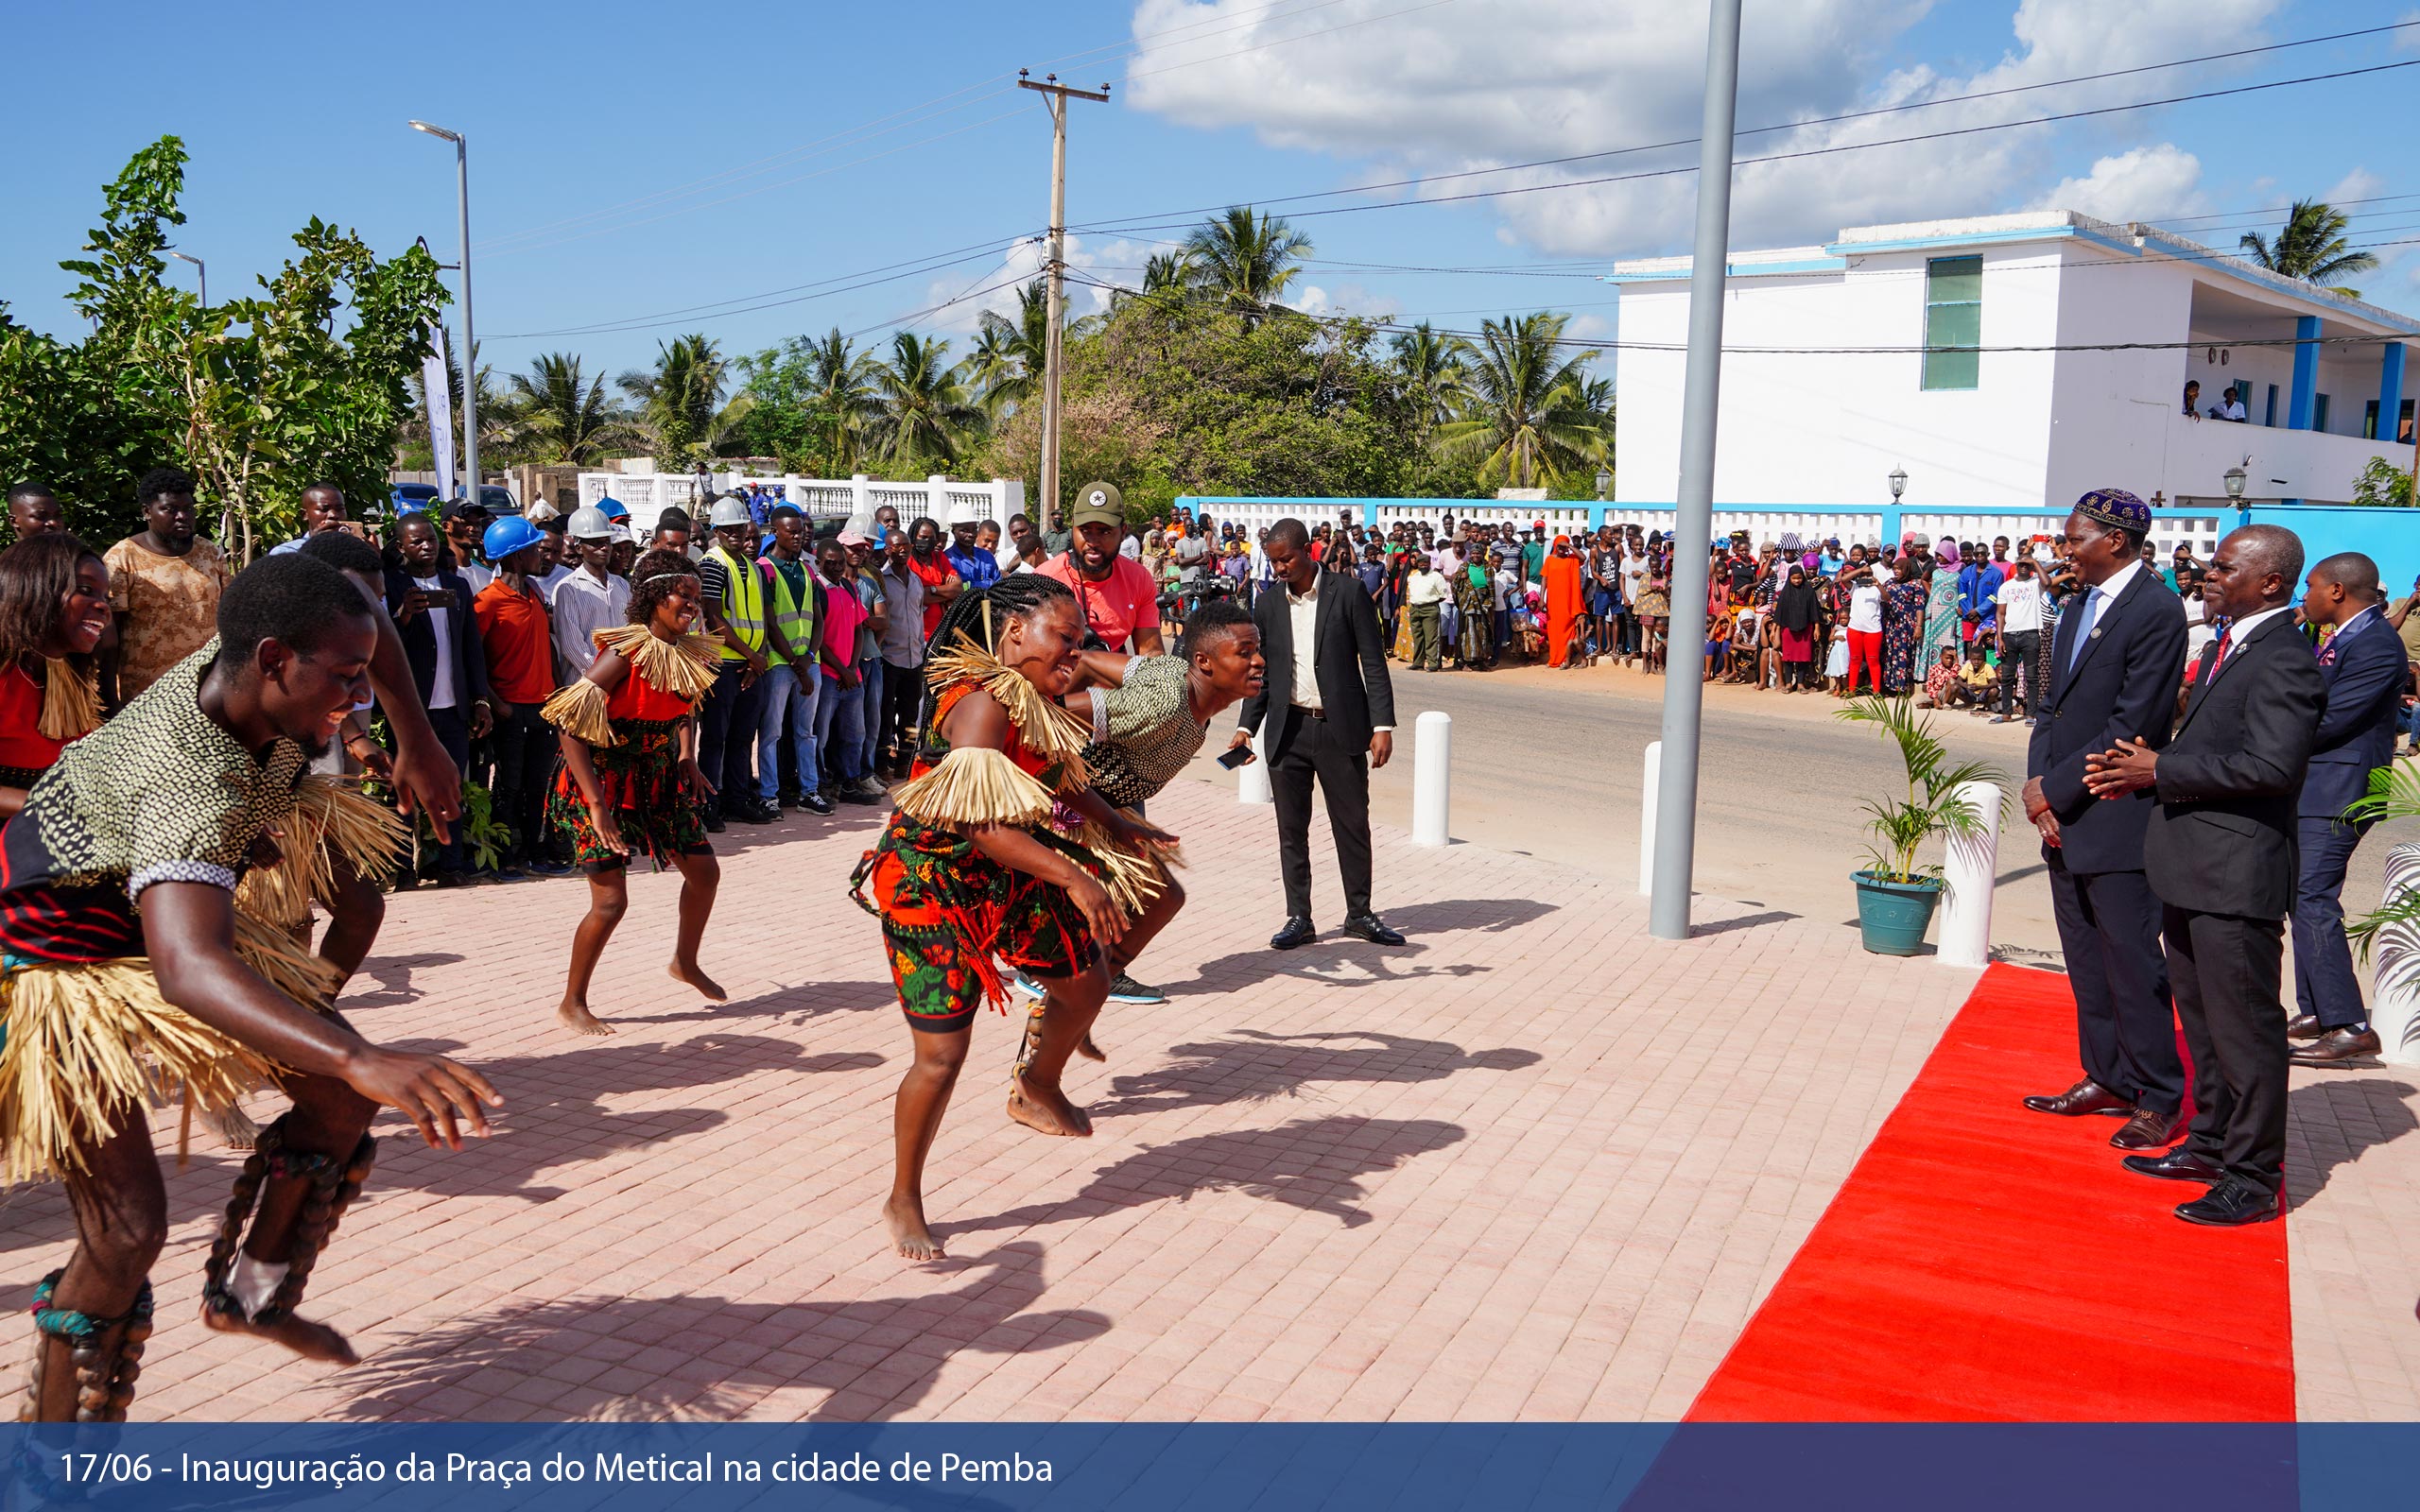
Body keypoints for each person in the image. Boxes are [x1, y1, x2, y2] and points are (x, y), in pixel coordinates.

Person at [0, 553, 500, 1419]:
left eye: (355, 680)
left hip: (156, 898)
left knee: (340, 1106)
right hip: (59, 949)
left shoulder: (250, 659)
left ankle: (254, 1293)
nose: (351, 700)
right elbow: (189, 969)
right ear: (273, 661)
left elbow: (362, 622)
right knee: (127, 1232)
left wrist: (416, 736)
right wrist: (359, 1053)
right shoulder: (190, 778)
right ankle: (47, 1465)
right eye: (338, 682)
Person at [853, 573, 1160, 1261]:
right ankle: (903, 1195)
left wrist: (1119, 827)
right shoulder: (982, 704)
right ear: (1015, 632)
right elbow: (986, 822)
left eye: (1081, 643)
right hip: (933, 886)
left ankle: (1036, 1083)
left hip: (1008, 873)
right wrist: (1078, 876)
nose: (1074, 656)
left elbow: (1059, 786)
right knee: (941, 1057)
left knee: (1086, 982)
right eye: (1064, 639)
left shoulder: (1035, 702)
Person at [2086, 525, 2319, 1225]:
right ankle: (2212, 1142)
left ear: (2270, 582)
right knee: (2207, 1025)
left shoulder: (2285, 659)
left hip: (2234, 874)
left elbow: (2273, 768)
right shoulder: (2230, 643)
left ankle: (2252, 1177)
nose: (2208, 576)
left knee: (2245, 1030)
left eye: (2224, 567)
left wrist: (2161, 768)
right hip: (2192, 869)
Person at [2020, 488, 2190, 1153]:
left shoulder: (2156, 610)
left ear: (2115, 541)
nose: (2065, 549)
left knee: (2129, 961)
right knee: (2085, 960)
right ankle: (2107, 1076)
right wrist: (2039, 789)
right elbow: (2051, 709)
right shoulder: (2075, 604)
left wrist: (2056, 794)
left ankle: (2158, 1094)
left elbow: (2132, 725)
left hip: (2113, 813)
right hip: (2061, 811)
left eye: (2074, 537)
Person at [542, 549, 727, 1037]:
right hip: (599, 780)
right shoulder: (622, 654)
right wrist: (598, 807)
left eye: (695, 595)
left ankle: (684, 962)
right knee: (610, 903)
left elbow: (683, 706)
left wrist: (686, 756)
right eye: (682, 595)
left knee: (705, 873)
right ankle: (572, 1002)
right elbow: (567, 724)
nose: (692, 604)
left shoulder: (687, 649)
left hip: (659, 775)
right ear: (652, 597)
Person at [1233, 517, 1403, 952]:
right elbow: (1261, 672)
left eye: (1286, 559)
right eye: (1273, 562)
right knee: (1292, 830)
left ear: (1309, 550)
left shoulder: (1348, 593)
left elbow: (1374, 664)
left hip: (1340, 729)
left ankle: (1360, 915)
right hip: (1287, 731)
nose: (1280, 569)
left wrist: (1381, 725)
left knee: (1352, 825)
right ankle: (1299, 918)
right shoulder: (1268, 604)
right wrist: (1245, 727)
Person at [2287, 553, 2405, 1065]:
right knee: (2300, 895)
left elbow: (2332, 719)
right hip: (2320, 787)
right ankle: (2316, 1008)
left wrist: (2269, 739)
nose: (2304, 596)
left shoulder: (2377, 643)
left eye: (2310, 587)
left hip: (2342, 789)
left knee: (2313, 897)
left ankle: (2350, 1025)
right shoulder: (2345, 636)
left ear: (2337, 591)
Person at [385, 513, 492, 886]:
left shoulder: (456, 585)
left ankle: (451, 866)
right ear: (401, 548)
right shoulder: (391, 585)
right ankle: (403, 871)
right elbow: (385, 645)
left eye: (430, 539)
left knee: (451, 787)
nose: (427, 546)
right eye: (417, 542)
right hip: (410, 711)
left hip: (453, 707)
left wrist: (481, 699)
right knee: (405, 790)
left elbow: (471, 647)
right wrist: (404, 615)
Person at [472, 515, 564, 878]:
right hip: (511, 709)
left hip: (542, 706)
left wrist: (557, 692)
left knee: (537, 783)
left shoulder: (535, 593)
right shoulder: (488, 601)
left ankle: (533, 851)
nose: (540, 553)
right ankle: (505, 857)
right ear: (513, 557)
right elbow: (473, 660)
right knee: (509, 785)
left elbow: (547, 647)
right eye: (531, 548)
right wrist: (496, 704)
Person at [101, 468, 232, 708]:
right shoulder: (123, 559)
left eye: (188, 509)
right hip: (147, 698)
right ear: (146, 512)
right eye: (170, 510)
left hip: (206, 692)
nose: (182, 516)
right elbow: (109, 637)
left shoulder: (209, 552)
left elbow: (228, 615)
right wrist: (110, 700)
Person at [0, 531, 109, 816]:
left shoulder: (68, 677)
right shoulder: (5, 677)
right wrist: (56, 807)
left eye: (105, 596)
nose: (104, 606)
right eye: (86, 590)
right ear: (36, 588)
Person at [695, 496, 774, 829]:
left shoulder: (753, 566)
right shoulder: (712, 564)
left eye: (741, 528)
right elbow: (713, 617)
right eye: (729, 530)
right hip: (724, 664)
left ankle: (736, 800)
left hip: (750, 666)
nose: (737, 535)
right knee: (715, 738)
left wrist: (759, 659)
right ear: (716, 531)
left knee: (743, 738)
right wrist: (751, 656)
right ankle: (708, 804)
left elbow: (762, 618)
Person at [755, 506, 829, 816]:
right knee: (771, 732)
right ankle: (769, 794)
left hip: (808, 661)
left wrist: (809, 657)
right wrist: (796, 662)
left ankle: (809, 792)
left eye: (801, 530)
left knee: (806, 731)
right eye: (792, 531)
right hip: (779, 663)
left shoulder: (807, 569)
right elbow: (770, 623)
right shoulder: (765, 569)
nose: (799, 536)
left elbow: (818, 618)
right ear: (775, 532)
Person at [1039, 483, 1165, 655]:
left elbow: (1151, 654)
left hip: (1117, 678)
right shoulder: (1045, 579)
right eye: (1084, 530)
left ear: (1123, 532)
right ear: (1073, 528)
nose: (1093, 542)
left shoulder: (1139, 579)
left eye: (1105, 532)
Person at [810, 538, 882, 805]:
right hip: (829, 675)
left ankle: (850, 782)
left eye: (840, 562)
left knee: (855, 733)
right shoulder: (817, 590)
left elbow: (858, 629)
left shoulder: (850, 589)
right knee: (822, 734)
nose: (837, 567)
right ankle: (821, 783)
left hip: (852, 677)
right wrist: (842, 670)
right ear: (818, 562)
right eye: (831, 563)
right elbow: (819, 639)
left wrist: (852, 668)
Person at [548, 507, 629, 686]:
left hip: (621, 686)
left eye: (607, 542)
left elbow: (631, 633)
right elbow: (572, 647)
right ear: (578, 547)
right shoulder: (568, 588)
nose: (604, 548)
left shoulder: (622, 585)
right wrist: (605, 677)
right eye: (596, 543)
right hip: (585, 686)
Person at [876, 528, 927, 779]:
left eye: (905, 544)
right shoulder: (882, 580)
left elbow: (918, 617)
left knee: (910, 715)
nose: (902, 549)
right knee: (885, 713)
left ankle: (905, 762)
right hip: (889, 659)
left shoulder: (916, 580)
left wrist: (921, 649)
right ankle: (883, 762)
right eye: (896, 546)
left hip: (913, 658)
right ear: (887, 550)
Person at [1991, 556, 2045, 724]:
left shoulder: (2036, 583)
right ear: (2016, 565)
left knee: (2031, 677)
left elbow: (2048, 582)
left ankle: (2031, 714)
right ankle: (2006, 713)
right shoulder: (2006, 587)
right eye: (2020, 564)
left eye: (2026, 565)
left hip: (2030, 634)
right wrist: (1999, 638)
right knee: (2007, 677)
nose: (2023, 567)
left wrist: (2034, 563)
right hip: (2009, 635)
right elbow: (2000, 614)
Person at [1881, 557, 1927, 694]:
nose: (1896, 572)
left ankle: (1903, 687)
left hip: (1906, 625)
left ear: (1906, 570)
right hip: (1890, 624)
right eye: (1894, 569)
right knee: (1889, 654)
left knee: (1904, 655)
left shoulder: (1915, 585)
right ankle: (1889, 686)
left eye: (1899, 569)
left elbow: (1920, 607)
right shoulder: (1888, 583)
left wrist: (1918, 627)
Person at [268, 483, 354, 556]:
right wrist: (313, 545)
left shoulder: (355, 550)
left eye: (340, 509)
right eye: (324, 509)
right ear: (305, 514)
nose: (333, 515)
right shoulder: (287, 552)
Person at [1772, 563, 1821, 692]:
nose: (1796, 581)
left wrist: (1816, 628)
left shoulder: (1809, 591)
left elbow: (1814, 611)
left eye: (1799, 578)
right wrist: (1774, 629)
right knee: (1788, 657)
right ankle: (1788, 683)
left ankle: (1800, 684)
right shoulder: (1785, 592)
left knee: (1803, 657)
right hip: (1788, 629)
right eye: (1794, 578)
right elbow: (1779, 613)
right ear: (1789, 578)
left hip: (1806, 629)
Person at [1544, 536, 1586, 668]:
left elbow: (1583, 558)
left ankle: (1565, 658)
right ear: (1555, 546)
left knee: (1567, 630)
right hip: (1553, 600)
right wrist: (1541, 598)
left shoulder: (1572, 559)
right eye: (1559, 546)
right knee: (1554, 631)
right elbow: (1544, 579)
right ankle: (1554, 658)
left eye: (1564, 547)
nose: (1562, 549)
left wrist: (1569, 546)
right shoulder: (1550, 560)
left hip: (1568, 601)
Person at [945, 502, 1003, 594]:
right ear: (953, 531)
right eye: (964, 530)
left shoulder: (987, 556)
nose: (971, 534)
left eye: (974, 529)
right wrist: (989, 583)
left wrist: (971, 585)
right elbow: (959, 588)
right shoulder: (948, 559)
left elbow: (1000, 586)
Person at [1404, 556, 1449, 672]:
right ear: (1417, 564)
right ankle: (1418, 663)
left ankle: (1433, 663)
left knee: (1431, 638)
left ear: (1429, 563)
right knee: (1417, 637)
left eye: (1426, 563)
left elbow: (1443, 595)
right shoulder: (1414, 577)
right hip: (1415, 609)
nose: (1423, 565)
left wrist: (1430, 603)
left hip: (1430, 609)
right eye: (1421, 563)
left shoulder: (1436, 576)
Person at [439, 499, 493, 593]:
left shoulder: (488, 575)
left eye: (478, 524)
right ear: (446, 526)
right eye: (466, 523)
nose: (474, 529)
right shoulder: (438, 575)